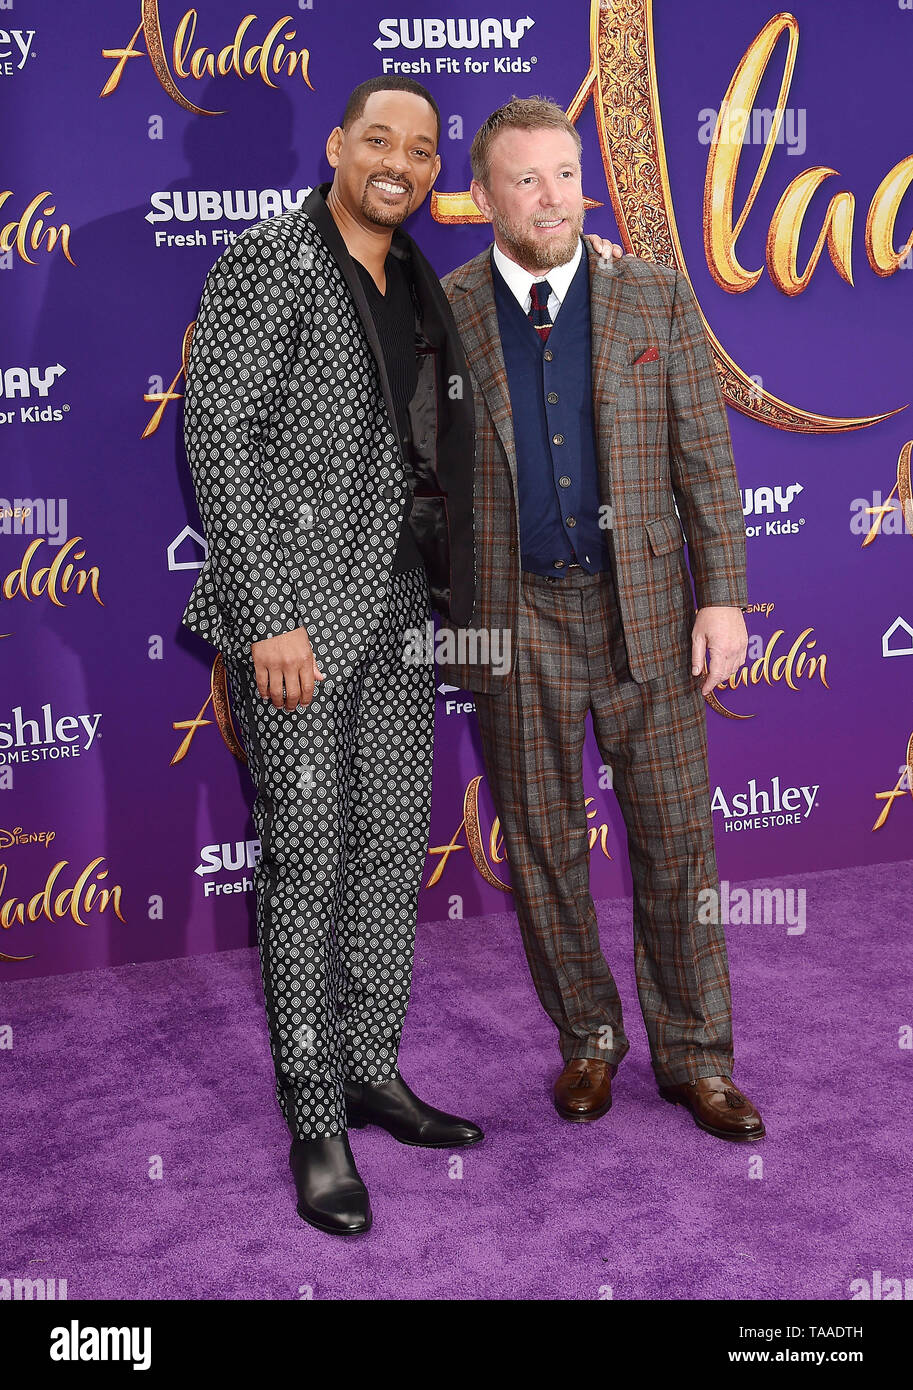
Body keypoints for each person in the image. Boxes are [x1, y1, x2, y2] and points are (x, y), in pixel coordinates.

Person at [180, 77, 487, 1237]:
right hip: (296, 620)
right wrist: (266, 615)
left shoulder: (413, 277)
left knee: (386, 853)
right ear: (336, 147)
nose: (398, 163)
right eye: (379, 141)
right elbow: (218, 434)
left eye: (419, 149)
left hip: (402, 610)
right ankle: (314, 1117)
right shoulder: (271, 259)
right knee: (308, 866)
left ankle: (369, 1068)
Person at [438, 97, 765, 1142]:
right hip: (513, 613)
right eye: (525, 179)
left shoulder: (655, 296)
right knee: (539, 845)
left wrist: (721, 594)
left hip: (649, 610)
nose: (552, 196)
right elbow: (419, 478)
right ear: (484, 194)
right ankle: (587, 1036)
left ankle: (696, 1056)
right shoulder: (441, 309)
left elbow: (703, 461)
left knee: (676, 842)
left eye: (566, 172)